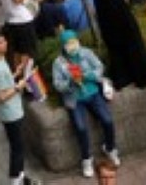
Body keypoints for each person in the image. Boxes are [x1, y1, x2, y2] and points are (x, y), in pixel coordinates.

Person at [51, 29, 120, 176]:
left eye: (74, 42)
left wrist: (87, 75)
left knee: (107, 120)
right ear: (63, 46)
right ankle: (87, 159)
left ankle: (110, 148)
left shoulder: (86, 53)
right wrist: (70, 81)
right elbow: (57, 84)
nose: (72, 46)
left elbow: (100, 67)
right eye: (68, 44)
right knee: (81, 128)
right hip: (74, 98)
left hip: (93, 93)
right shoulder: (59, 63)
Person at [0, 30, 36, 185]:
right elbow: (1, 96)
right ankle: (15, 178)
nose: (5, 43)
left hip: (14, 110)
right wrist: (18, 86)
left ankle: (20, 176)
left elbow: (4, 83)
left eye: (4, 40)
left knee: (19, 146)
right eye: (0, 42)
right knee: (17, 147)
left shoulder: (0, 62)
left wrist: (16, 74)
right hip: (11, 113)